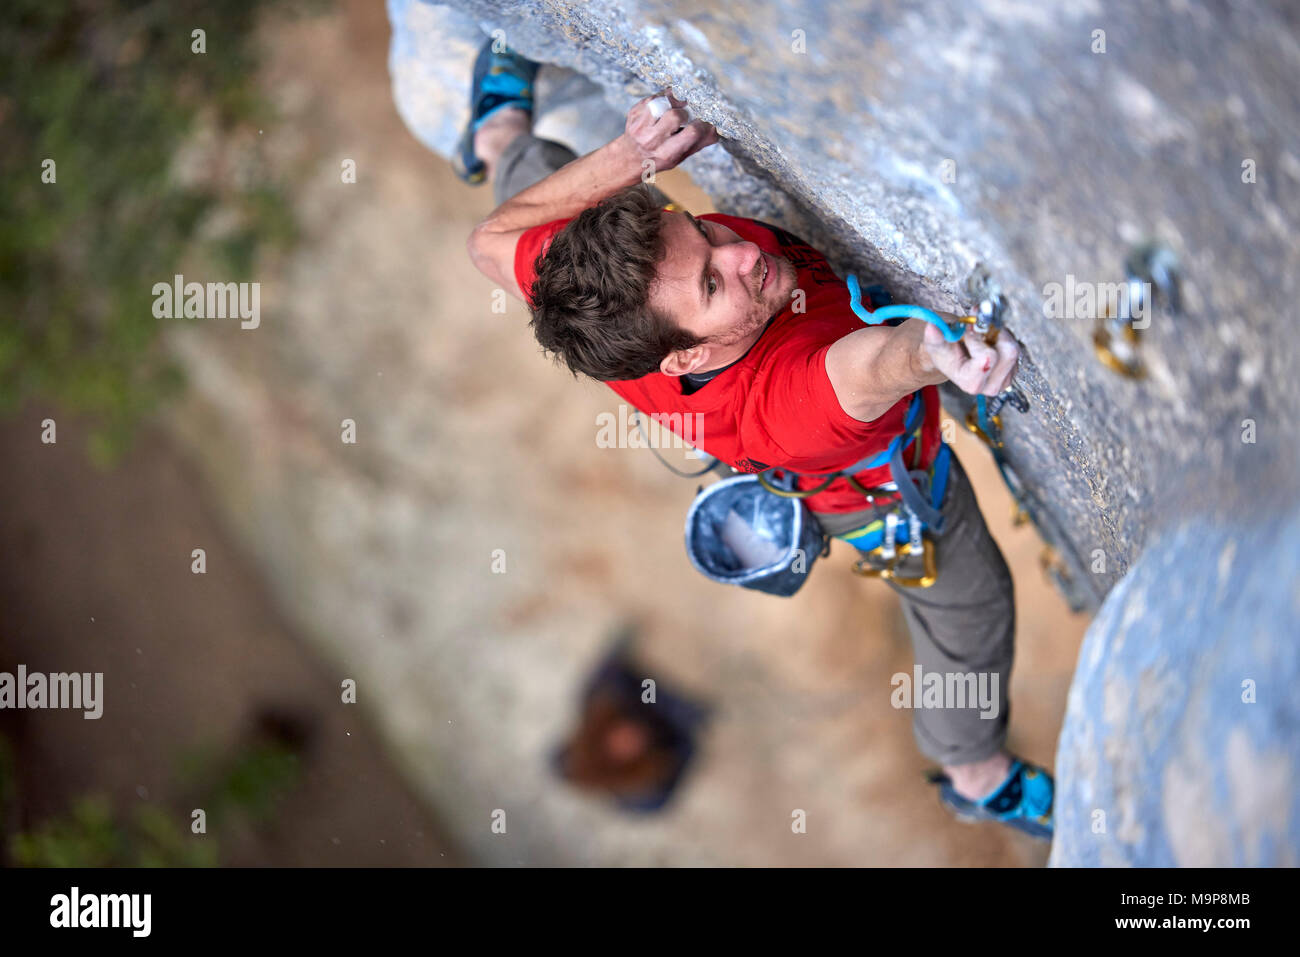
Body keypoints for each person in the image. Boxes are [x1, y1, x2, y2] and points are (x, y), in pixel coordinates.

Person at [456, 38, 1053, 840]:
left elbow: (489, 245)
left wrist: (629, 157)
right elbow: (870, 365)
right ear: (690, 353)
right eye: (712, 282)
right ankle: (975, 770)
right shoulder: (789, 404)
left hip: (675, 346)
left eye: (700, 234)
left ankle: (495, 130)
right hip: (868, 485)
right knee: (969, 607)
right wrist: (936, 353)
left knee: (542, 193)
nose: (743, 254)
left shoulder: (613, 295)